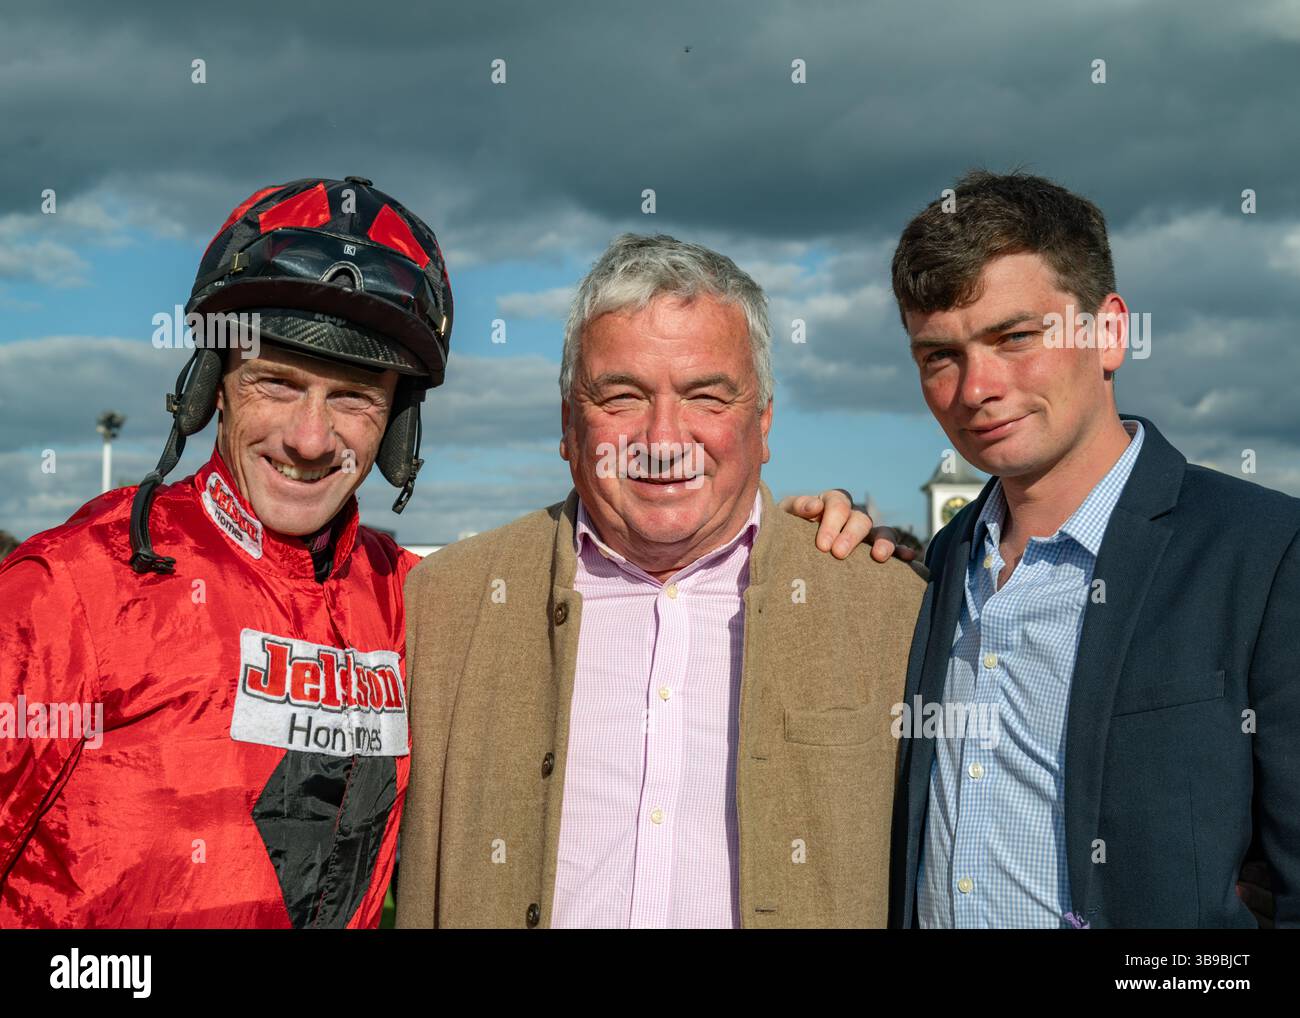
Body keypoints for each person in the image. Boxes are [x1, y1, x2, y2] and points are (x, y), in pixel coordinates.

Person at [396, 233, 926, 928]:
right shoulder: (440, 606)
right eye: (621, 397)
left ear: (763, 425)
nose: (664, 437)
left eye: (707, 396)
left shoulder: (890, 606)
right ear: (567, 425)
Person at [0, 176, 453, 928]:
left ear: (396, 427)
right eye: (277, 383)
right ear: (214, 386)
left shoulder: (417, 603)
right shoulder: (67, 591)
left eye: (352, 398)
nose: (310, 439)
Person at [885, 170, 1300, 928]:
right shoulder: (939, 565)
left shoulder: (1267, 553)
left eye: (1014, 337)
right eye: (938, 356)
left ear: (1109, 332)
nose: (976, 387)